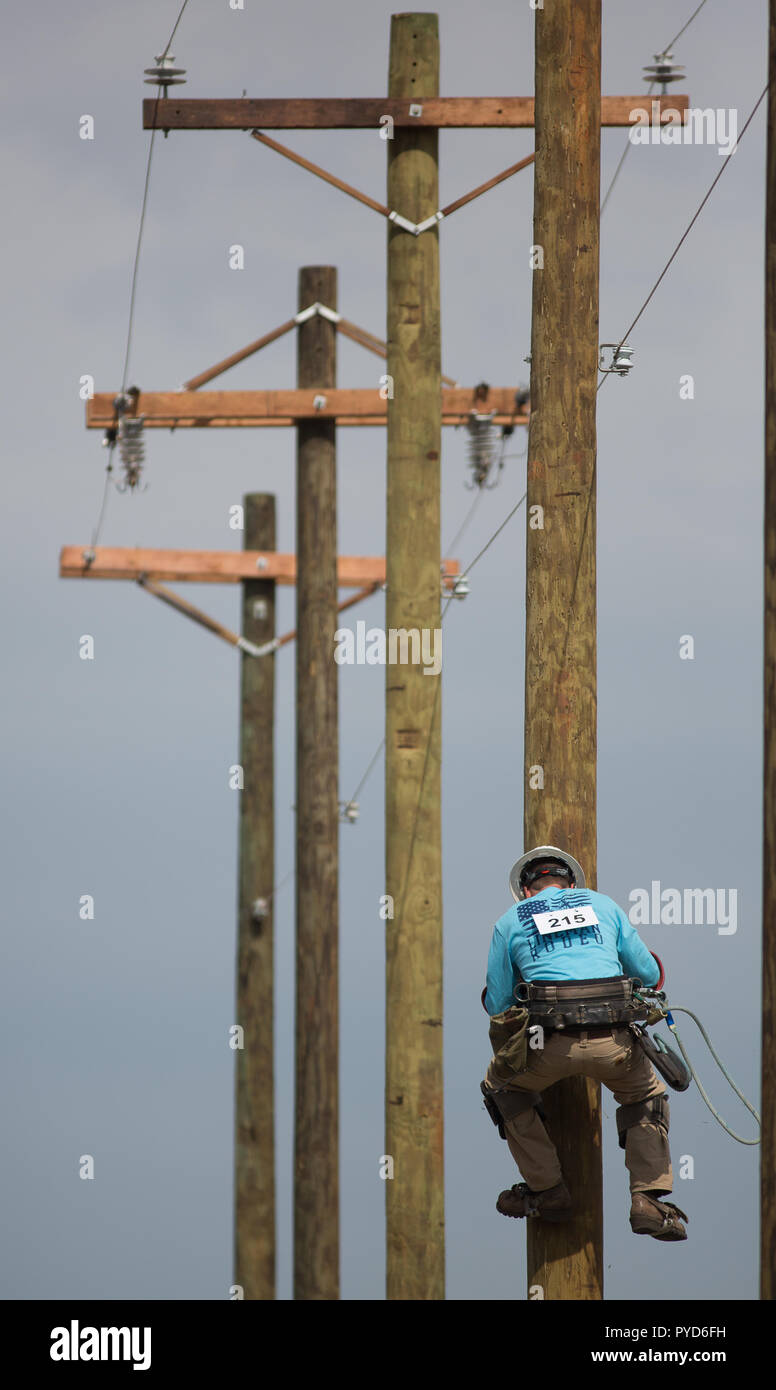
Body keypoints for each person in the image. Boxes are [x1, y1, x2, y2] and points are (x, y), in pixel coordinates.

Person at [481, 845, 688, 1241]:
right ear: (572, 884)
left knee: (501, 1088)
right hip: (616, 1044)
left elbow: (498, 1002)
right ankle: (648, 1199)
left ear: (526, 891)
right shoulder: (603, 906)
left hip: (547, 1045)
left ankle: (547, 1189)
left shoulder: (509, 921)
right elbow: (648, 974)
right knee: (645, 1094)